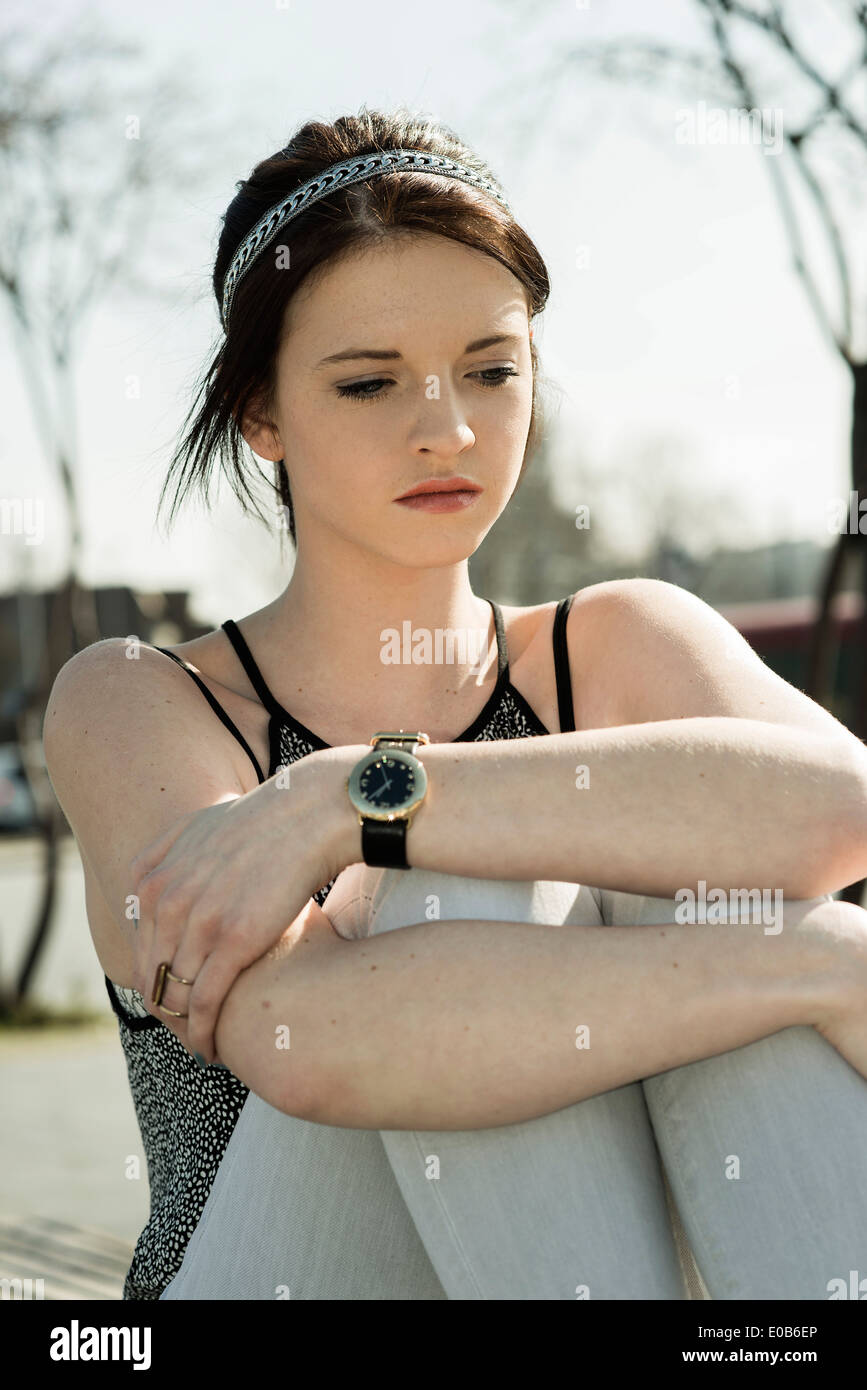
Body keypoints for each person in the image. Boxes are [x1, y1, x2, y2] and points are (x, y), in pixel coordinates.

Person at [43, 106, 867, 1302]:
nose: (451, 428)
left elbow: (841, 816)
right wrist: (816, 964)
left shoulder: (614, 644)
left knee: (677, 844)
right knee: (434, 889)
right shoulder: (139, 700)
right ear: (262, 413)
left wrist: (350, 798)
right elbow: (308, 1040)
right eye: (371, 383)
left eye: (491, 367)